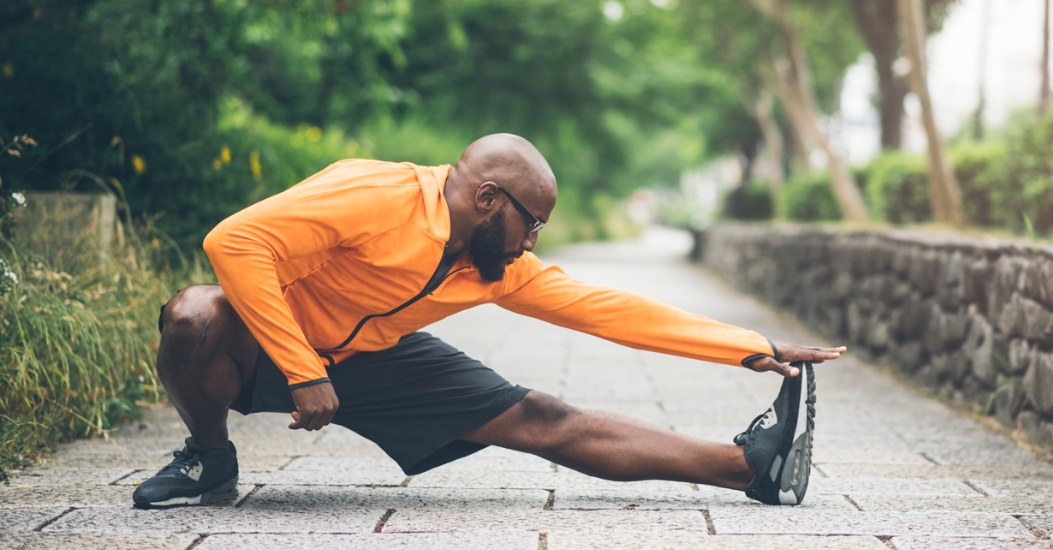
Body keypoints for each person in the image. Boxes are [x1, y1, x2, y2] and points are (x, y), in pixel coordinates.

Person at [132, 133, 844, 510]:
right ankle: (210, 456)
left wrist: (749, 347)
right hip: (272, 343)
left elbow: (611, 311)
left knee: (544, 418)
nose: (533, 240)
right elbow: (235, 242)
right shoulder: (372, 194)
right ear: (488, 198)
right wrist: (301, 366)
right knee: (194, 316)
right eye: (530, 222)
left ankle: (752, 469)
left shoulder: (489, 265)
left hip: (372, 360)